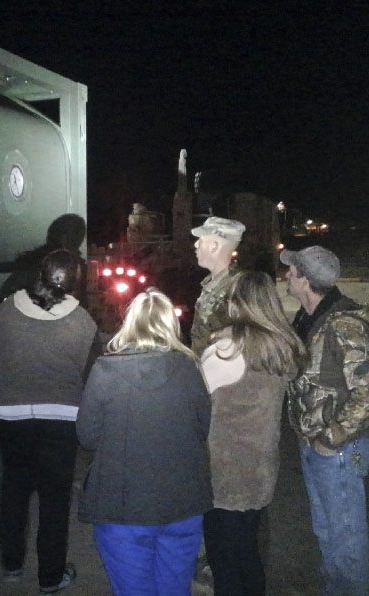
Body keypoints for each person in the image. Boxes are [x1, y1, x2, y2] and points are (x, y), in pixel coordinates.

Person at [76, 288, 213, 596]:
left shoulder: (106, 370)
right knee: (175, 588)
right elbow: (202, 428)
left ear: (129, 323)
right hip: (182, 502)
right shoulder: (190, 368)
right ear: (171, 325)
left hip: (123, 505)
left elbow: (87, 436)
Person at [0, 248, 100, 594]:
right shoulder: (83, 321)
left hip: (12, 413)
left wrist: (6, 386)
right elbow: (92, 374)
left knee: (14, 486)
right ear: (76, 281)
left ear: (40, 274)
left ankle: (12, 564)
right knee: (54, 496)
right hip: (61, 417)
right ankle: (50, 577)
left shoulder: (7, 310)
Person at [281, 245, 369, 596]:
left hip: (337, 451)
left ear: (305, 280)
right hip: (314, 444)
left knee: (346, 538)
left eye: (292, 271)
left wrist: (330, 439)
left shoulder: (344, 325)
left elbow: (368, 394)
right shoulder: (309, 318)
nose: (287, 275)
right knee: (327, 532)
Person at [200, 271, 307, 596]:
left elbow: (195, 403)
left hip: (224, 472)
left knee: (223, 558)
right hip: (261, 466)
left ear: (237, 303)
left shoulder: (225, 351)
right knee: (248, 551)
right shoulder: (281, 348)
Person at [190, 216, 247, 354]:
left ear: (214, 246)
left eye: (201, 240)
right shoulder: (212, 283)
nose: (196, 245)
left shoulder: (238, 288)